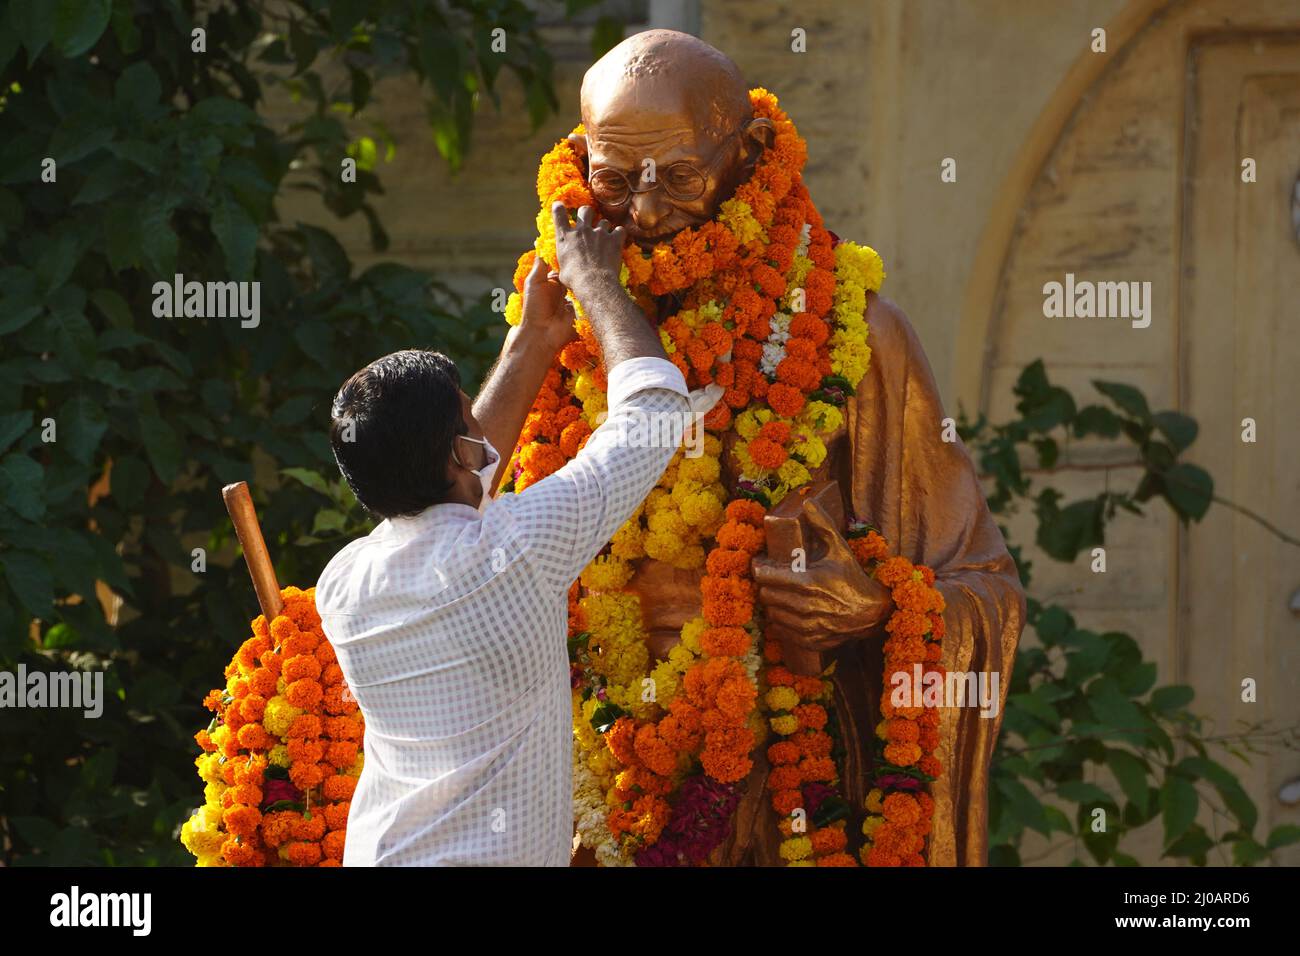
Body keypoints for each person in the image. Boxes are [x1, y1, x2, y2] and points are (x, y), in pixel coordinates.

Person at [315, 204, 713, 865]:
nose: (481, 435)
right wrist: (595, 282)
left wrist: (532, 343)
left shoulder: (344, 586)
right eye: (469, 419)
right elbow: (652, 413)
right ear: (458, 455)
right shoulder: (516, 551)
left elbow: (459, 484)